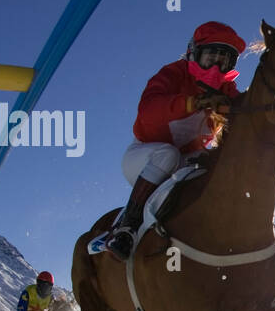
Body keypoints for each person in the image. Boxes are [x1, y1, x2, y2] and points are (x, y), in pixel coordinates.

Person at [103, 21, 247, 261]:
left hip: (185, 162)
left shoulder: (227, 89)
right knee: (167, 154)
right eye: (211, 57)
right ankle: (126, 227)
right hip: (144, 156)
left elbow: (246, 113)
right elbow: (148, 112)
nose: (216, 67)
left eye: (224, 61)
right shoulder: (173, 73)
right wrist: (190, 103)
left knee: (212, 165)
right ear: (193, 53)